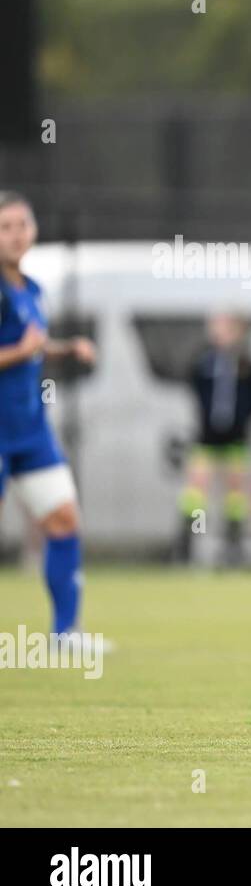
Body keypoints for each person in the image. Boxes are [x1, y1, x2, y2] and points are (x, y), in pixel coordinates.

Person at [0, 191, 97, 642]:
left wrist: (64, 347)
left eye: (23, 224)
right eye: (6, 227)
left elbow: (31, 347)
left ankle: (65, 632)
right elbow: (19, 349)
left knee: (63, 521)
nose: (16, 235)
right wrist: (21, 351)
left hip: (31, 433)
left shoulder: (31, 288)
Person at [177, 312, 251, 566]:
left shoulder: (246, 364)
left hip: (236, 438)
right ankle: (187, 542)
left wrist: (243, 419)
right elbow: (194, 388)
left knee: (235, 494)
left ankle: (233, 545)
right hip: (207, 437)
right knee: (196, 489)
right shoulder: (204, 361)